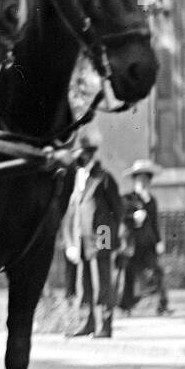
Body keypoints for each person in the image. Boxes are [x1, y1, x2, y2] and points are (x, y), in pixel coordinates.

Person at [62, 129, 123, 338]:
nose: (77, 158)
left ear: (89, 154)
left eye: (81, 154)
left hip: (100, 237)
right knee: (83, 283)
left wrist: (107, 240)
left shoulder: (103, 178)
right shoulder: (77, 178)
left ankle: (105, 325)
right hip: (81, 239)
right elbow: (72, 211)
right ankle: (86, 323)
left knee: (102, 281)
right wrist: (70, 241)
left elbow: (118, 210)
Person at [118, 159, 170, 316]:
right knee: (129, 275)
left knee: (157, 271)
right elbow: (121, 217)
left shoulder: (152, 200)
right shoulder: (127, 199)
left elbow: (154, 221)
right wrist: (133, 217)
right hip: (132, 244)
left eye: (146, 179)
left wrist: (159, 241)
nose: (143, 182)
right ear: (135, 181)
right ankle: (125, 307)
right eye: (140, 179)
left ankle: (162, 305)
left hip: (148, 243)